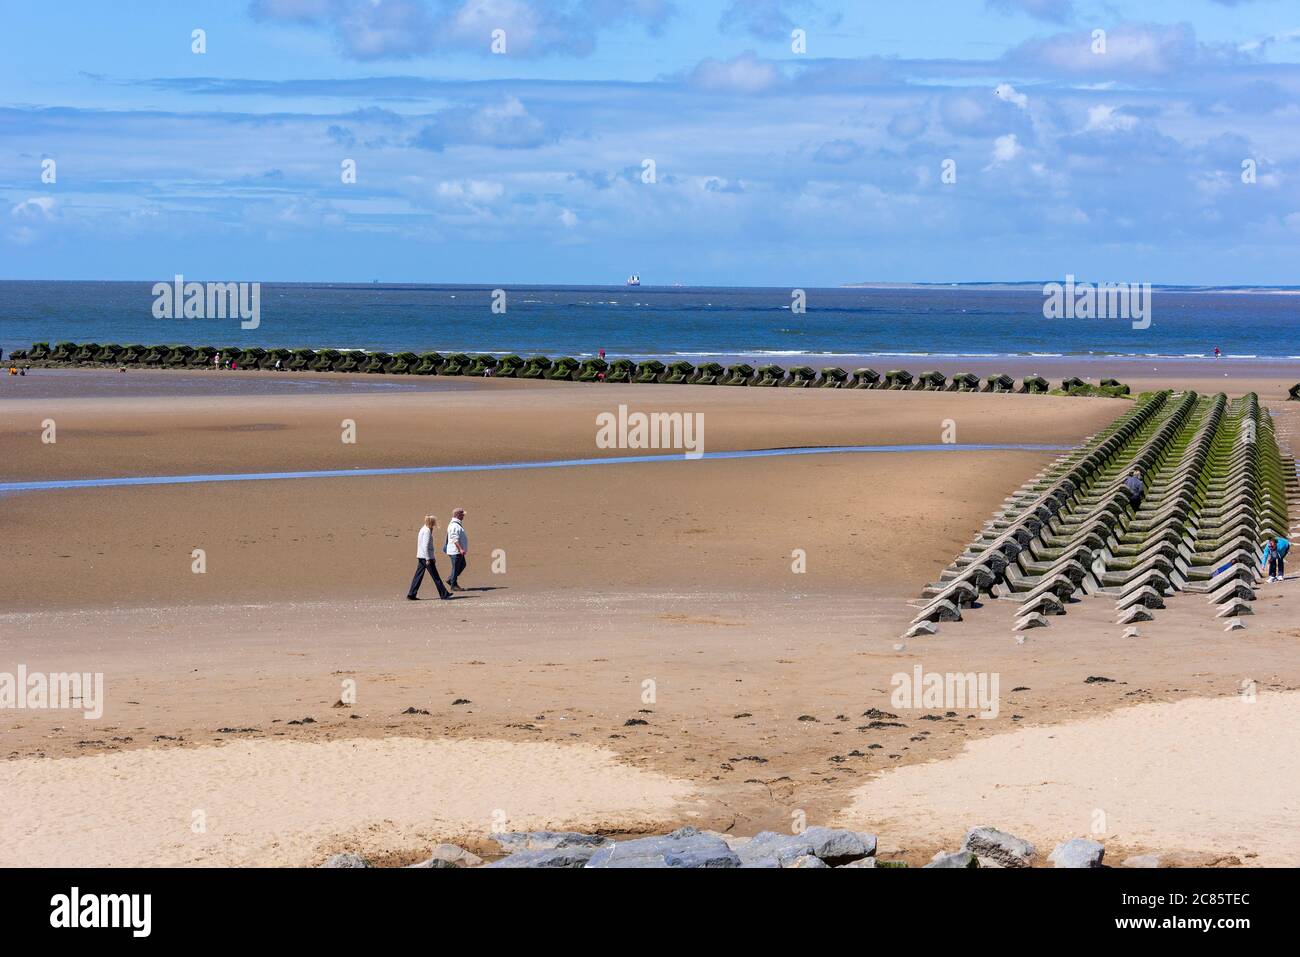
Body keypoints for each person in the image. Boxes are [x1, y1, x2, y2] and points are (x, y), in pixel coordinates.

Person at [407, 515, 451, 600]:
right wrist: (428, 558)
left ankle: (411, 593)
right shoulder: (427, 531)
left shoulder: (423, 529)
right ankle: (444, 594)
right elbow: (425, 546)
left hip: (421, 556)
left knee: (418, 576)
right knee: (435, 576)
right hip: (426, 557)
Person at [445, 508, 469, 591]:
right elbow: (455, 539)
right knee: (456, 567)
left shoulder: (456, 524)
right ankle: (453, 585)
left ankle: (451, 579)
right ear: (458, 515)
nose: (463, 516)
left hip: (457, 551)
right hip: (455, 551)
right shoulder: (454, 525)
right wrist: (461, 549)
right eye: (462, 514)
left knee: (462, 565)